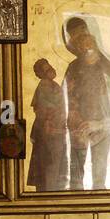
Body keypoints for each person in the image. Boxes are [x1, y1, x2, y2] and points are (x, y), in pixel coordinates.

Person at [62, 16, 110, 190]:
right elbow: (67, 98)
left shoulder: (105, 64)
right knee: (76, 179)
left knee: (99, 177)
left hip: (103, 125)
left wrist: (101, 123)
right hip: (79, 127)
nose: (80, 39)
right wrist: (79, 124)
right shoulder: (73, 67)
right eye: (74, 36)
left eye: (83, 33)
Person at [26, 58, 68, 191]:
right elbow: (44, 110)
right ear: (42, 73)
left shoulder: (52, 85)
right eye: (47, 69)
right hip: (50, 134)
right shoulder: (45, 85)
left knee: (53, 170)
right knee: (51, 170)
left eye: (50, 67)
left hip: (55, 132)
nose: (51, 70)